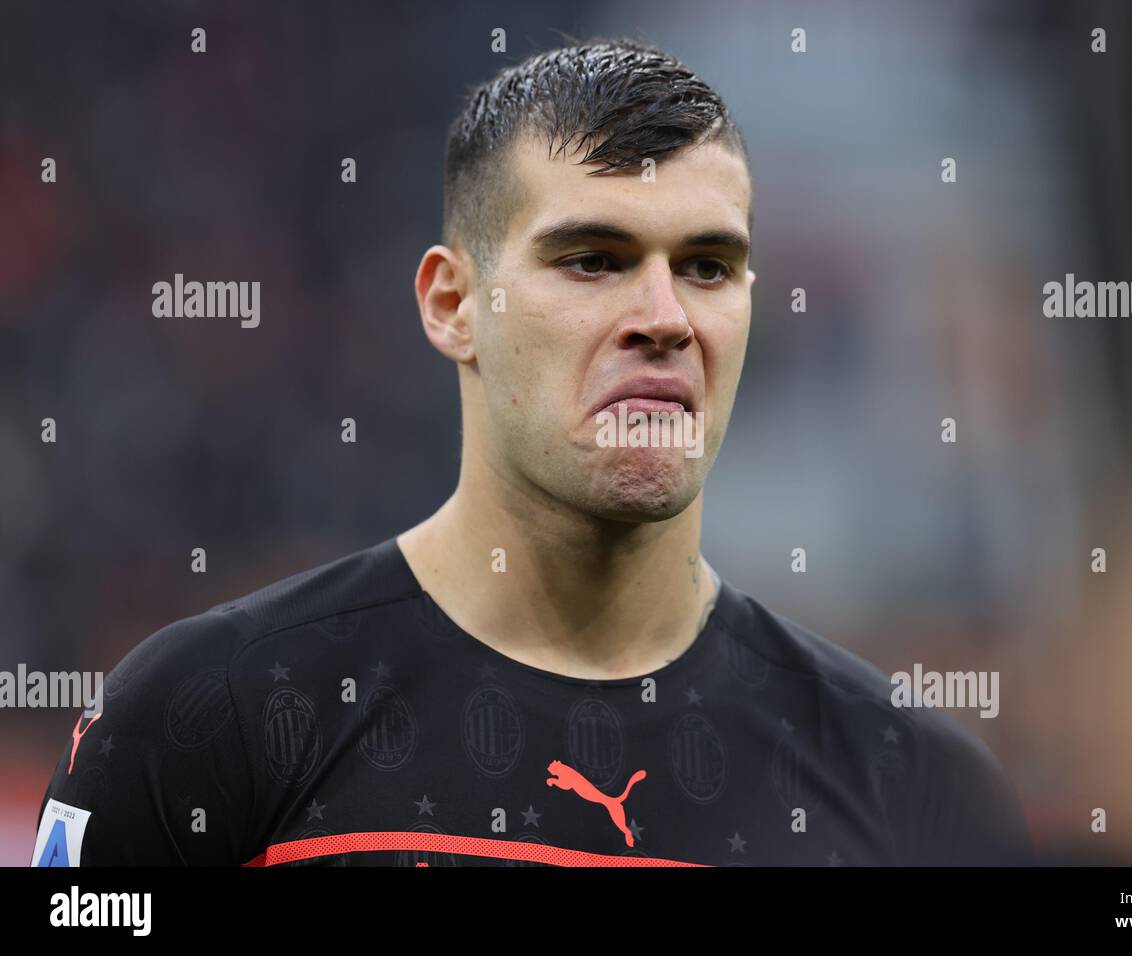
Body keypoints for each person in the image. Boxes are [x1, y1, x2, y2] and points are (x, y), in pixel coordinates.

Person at [32, 36, 1031, 867]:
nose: (663, 317)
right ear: (452, 303)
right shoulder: (207, 718)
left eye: (708, 265)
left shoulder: (916, 785)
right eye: (593, 259)